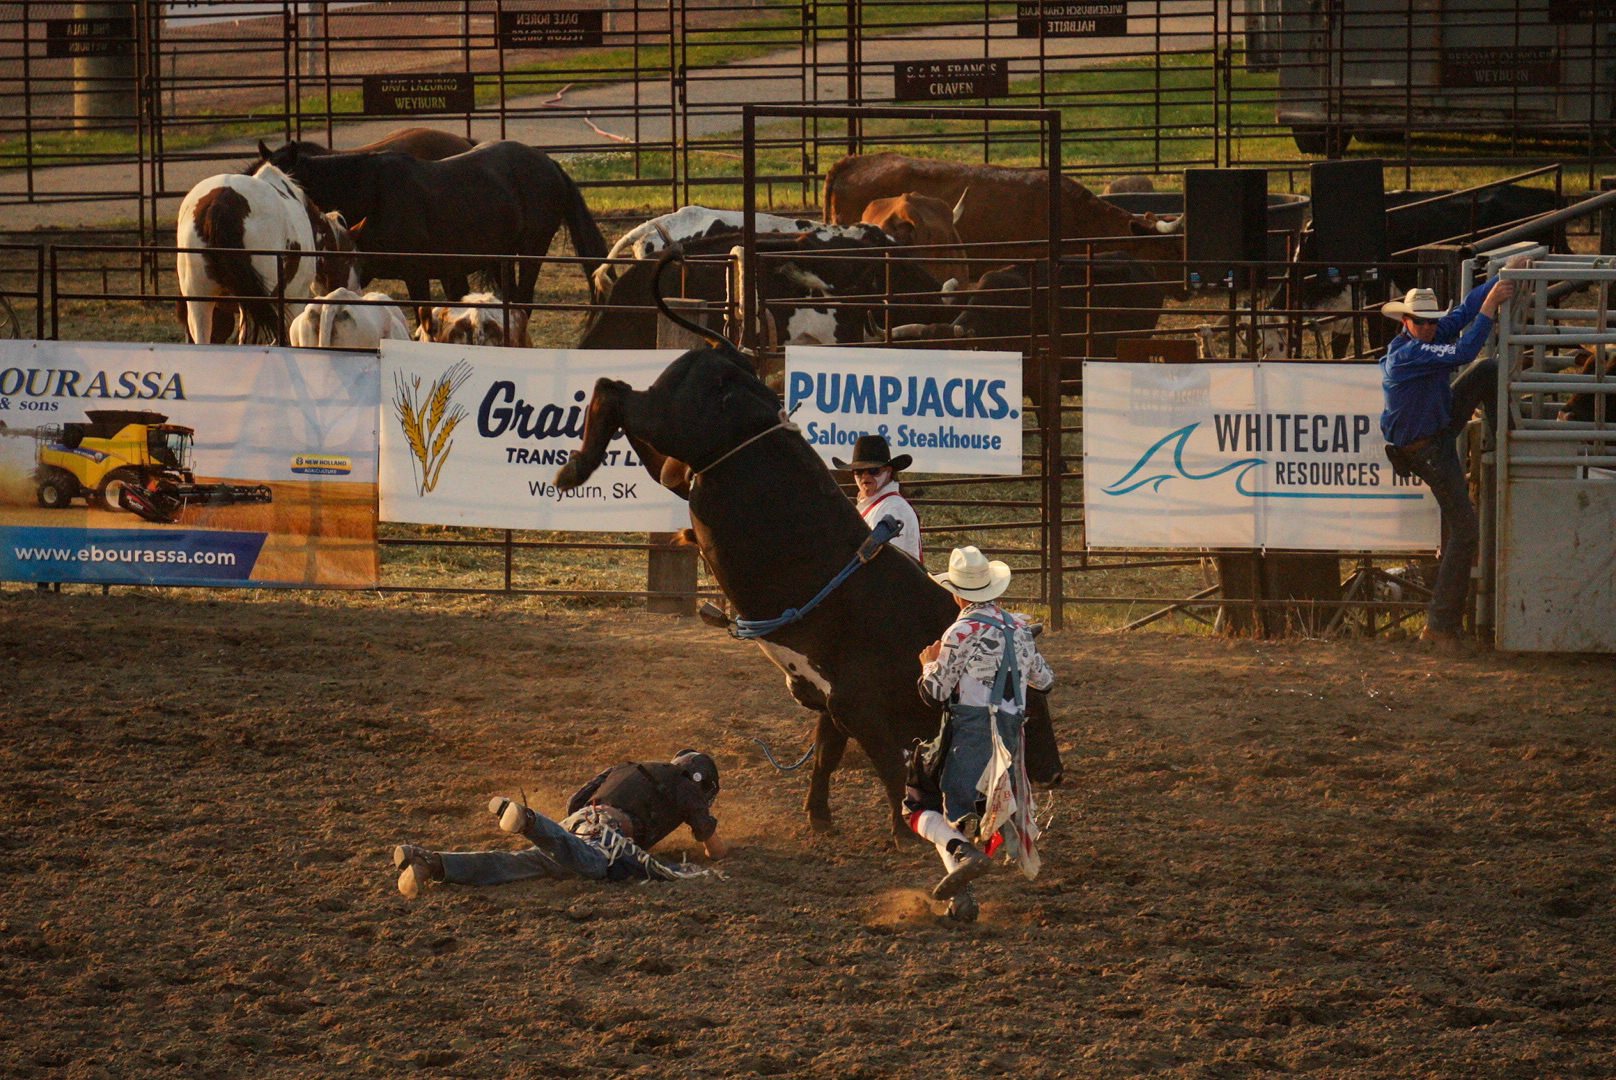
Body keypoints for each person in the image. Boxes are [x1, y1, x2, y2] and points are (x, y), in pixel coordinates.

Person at [1379, 257, 1526, 656]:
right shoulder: (1410, 356)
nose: (1428, 326)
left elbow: (1461, 313)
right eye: (1421, 321)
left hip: (1434, 435)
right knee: (1466, 532)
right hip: (1429, 449)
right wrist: (1491, 305)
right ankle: (1439, 625)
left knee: (1487, 370)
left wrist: (1502, 278)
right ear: (1405, 321)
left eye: (1430, 321)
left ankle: (1506, 439)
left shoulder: (1417, 343)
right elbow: (1463, 347)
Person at [904, 546, 1054, 922]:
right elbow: (1045, 681)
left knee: (919, 805)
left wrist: (928, 664)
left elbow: (933, 694)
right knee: (971, 813)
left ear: (957, 593)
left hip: (970, 734)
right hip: (1010, 739)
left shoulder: (960, 630)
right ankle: (960, 898)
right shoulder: (1019, 628)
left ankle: (963, 860)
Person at [393, 750, 728, 896]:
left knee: (517, 865)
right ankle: (529, 821)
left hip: (578, 822)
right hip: (605, 832)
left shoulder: (627, 767)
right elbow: (713, 849)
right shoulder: (687, 785)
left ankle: (432, 863)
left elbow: (574, 801)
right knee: (598, 865)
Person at [833, 434, 922, 562]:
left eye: (873, 470)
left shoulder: (893, 509)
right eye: (858, 471)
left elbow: (887, 564)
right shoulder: (880, 505)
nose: (865, 476)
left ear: (888, 471)